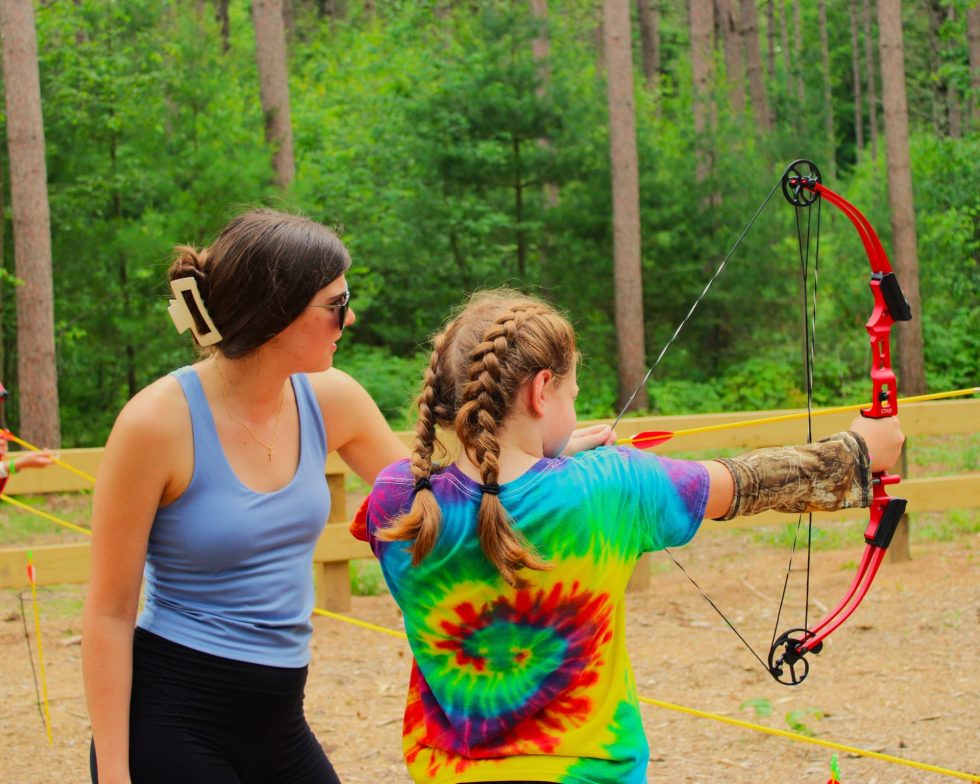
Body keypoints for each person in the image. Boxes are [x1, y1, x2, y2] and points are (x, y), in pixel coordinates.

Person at [353, 288, 905, 784]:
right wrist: (859, 452)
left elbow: (480, 495)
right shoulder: (608, 487)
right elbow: (744, 484)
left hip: (447, 772)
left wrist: (547, 456)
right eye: (572, 391)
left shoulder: (397, 496)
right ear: (542, 390)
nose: (573, 404)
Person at [81, 209, 410, 784]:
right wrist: (113, 771)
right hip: (172, 718)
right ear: (277, 315)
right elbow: (109, 613)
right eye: (337, 303)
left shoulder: (332, 399)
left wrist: (542, 451)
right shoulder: (156, 424)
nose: (350, 317)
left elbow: (439, 495)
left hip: (280, 721)